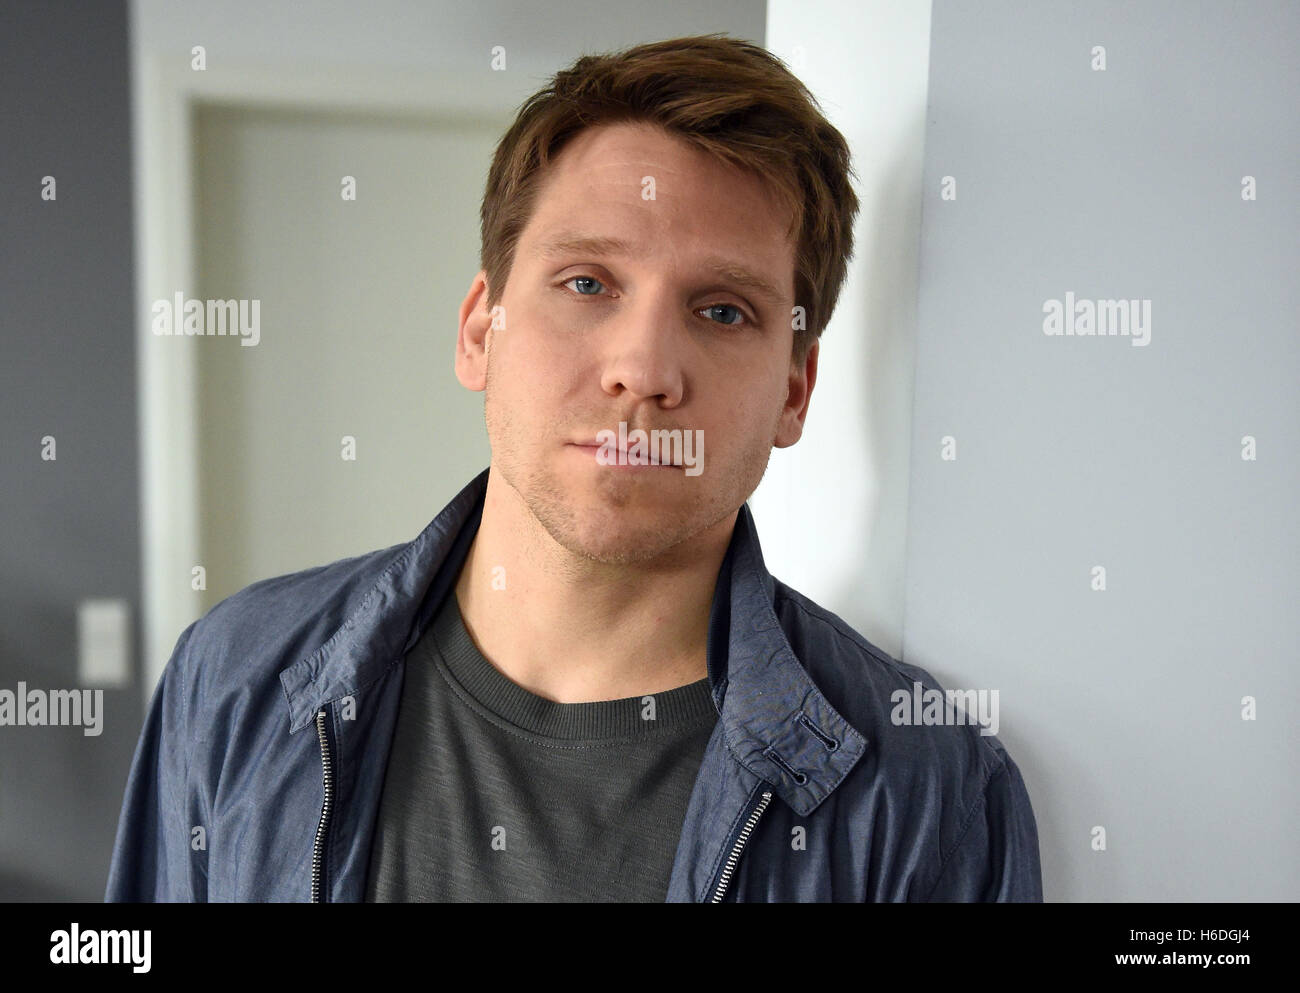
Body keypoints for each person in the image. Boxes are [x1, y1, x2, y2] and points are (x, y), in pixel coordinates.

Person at [106, 34, 1042, 902]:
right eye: (587, 282)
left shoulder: (929, 791)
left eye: (723, 311)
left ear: (794, 391)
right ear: (481, 331)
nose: (644, 367)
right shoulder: (233, 678)